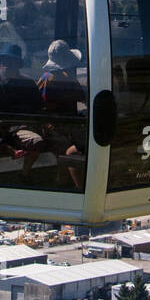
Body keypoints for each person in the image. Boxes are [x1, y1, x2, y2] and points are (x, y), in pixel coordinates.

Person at [0, 44, 45, 178]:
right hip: (6, 131)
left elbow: (39, 108)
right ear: (0, 64)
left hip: (29, 126)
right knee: (36, 141)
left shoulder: (28, 84)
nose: (7, 65)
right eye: (4, 62)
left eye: (11, 62)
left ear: (18, 64)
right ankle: (25, 175)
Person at [36, 39, 87, 188]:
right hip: (54, 128)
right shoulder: (48, 80)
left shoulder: (61, 78)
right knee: (71, 155)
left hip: (68, 126)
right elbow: (39, 107)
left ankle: (61, 185)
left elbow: (81, 96)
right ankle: (77, 188)